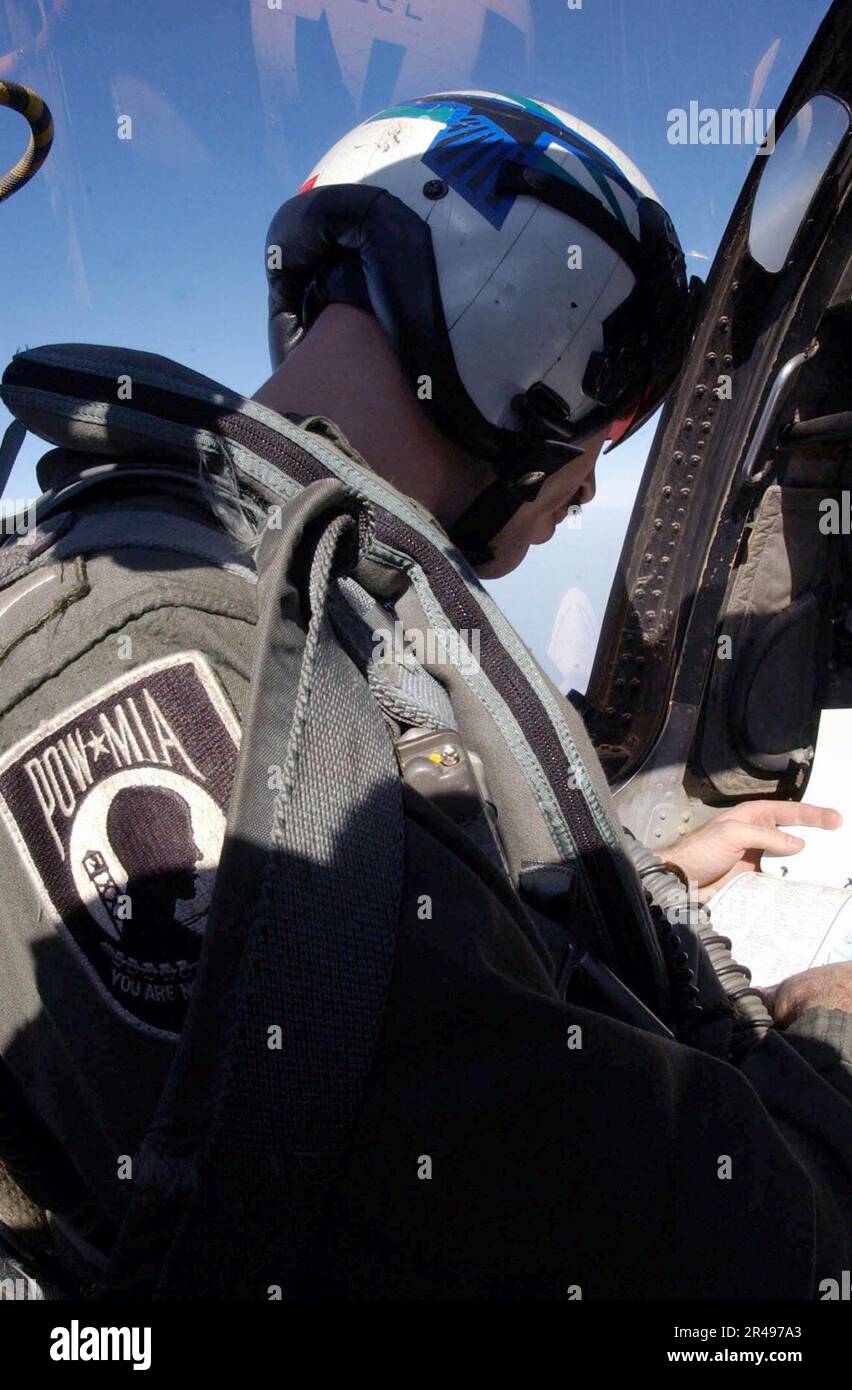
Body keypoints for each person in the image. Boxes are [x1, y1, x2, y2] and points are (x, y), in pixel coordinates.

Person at [0, 91, 849, 1299]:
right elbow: (655, 1265)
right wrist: (829, 1034)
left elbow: (415, 934)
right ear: (533, 333)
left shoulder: (289, 602)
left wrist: (634, 881)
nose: (590, 488)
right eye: (604, 422)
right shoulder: (170, 657)